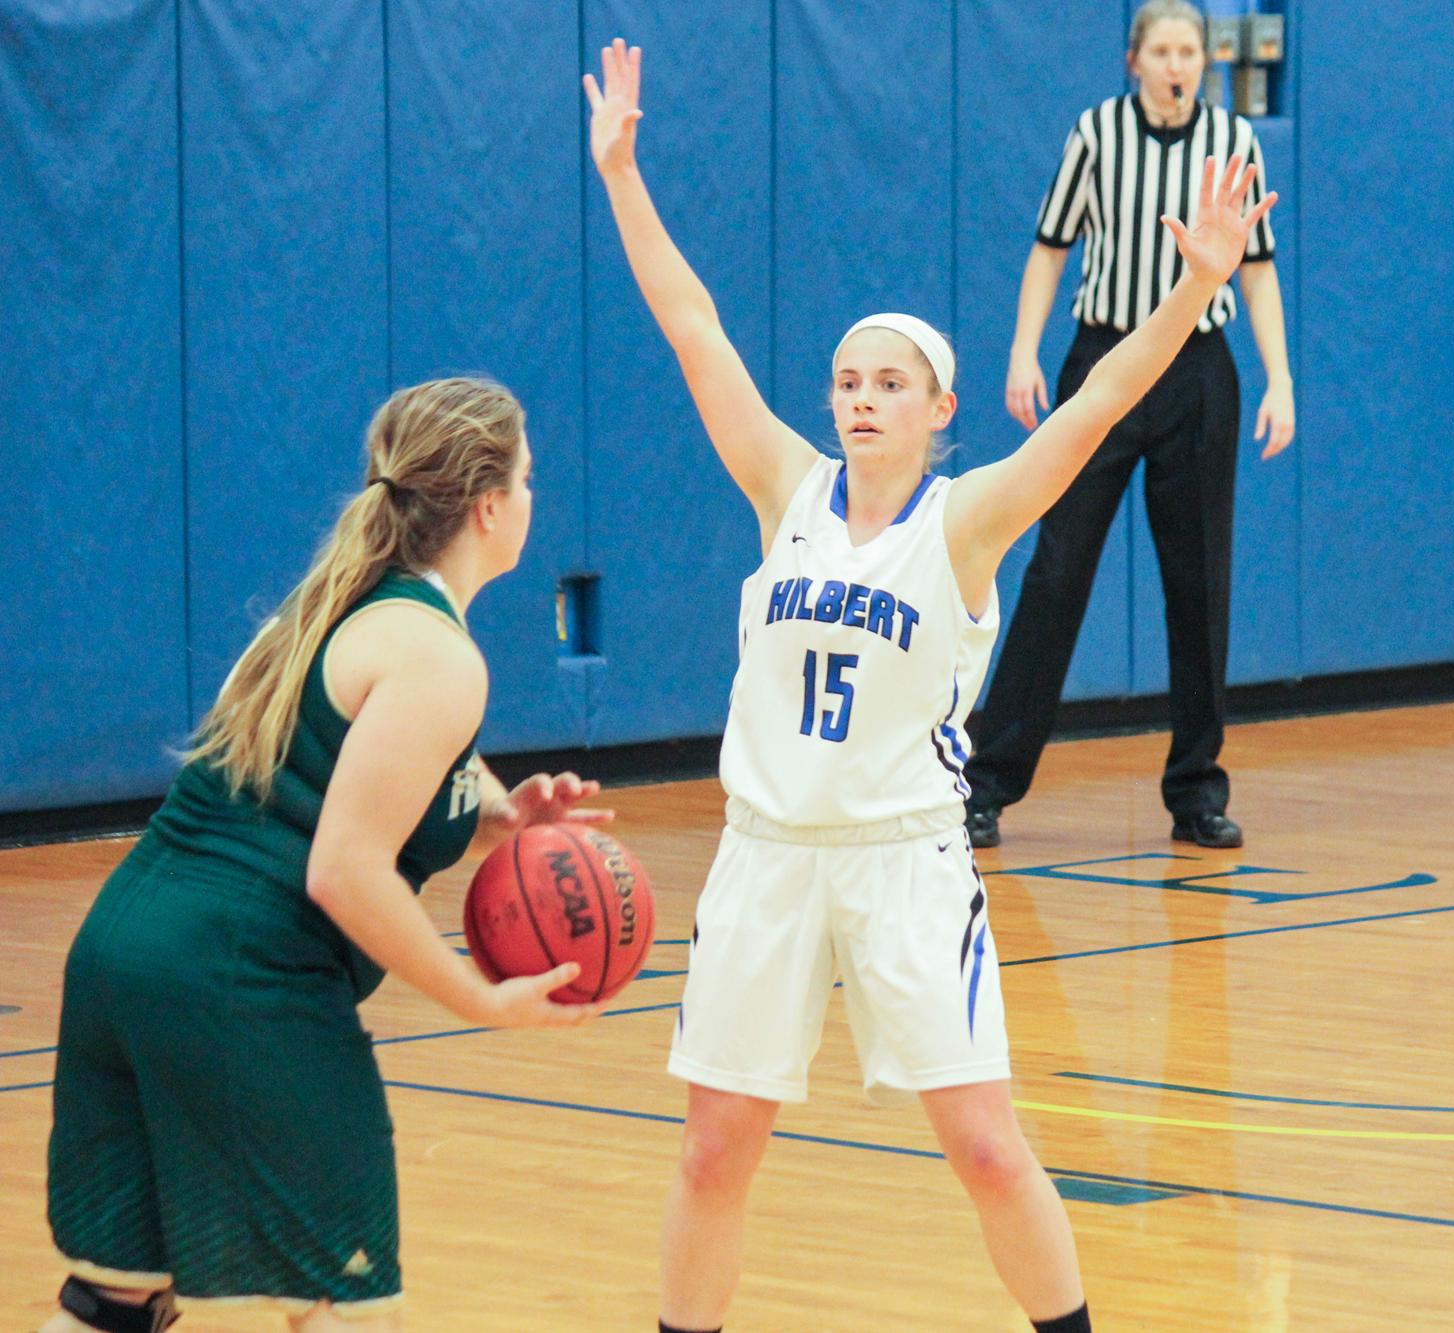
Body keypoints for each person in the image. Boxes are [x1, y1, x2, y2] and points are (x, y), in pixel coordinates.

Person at [584, 36, 1274, 1333]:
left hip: (904, 862)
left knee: (990, 1147)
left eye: (888, 384)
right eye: (847, 381)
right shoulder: (785, 491)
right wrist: (622, 173)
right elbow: (692, 325)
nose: (860, 399)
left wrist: (1195, 288)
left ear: (938, 407)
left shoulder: (964, 520)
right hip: (765, 855)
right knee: (713, 1151)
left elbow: (1095, 403)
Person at [41, 378, 607, 1333]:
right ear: (487, 505)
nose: (532, 496)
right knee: (350, 1308)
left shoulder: (328, 607)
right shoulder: (439, 656)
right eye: (528, 477)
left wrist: (497, 811)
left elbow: (340, 761)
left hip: (121, 956)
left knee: (115, 1304)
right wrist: (476, 998)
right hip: (242, 979)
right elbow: (343, 869)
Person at [963, 0, 1292, 851]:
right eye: (1164, 50)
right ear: (1133, 61)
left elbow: (1257, 270)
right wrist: (1024, 351)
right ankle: (986, 784)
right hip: (1105, 364)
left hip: (1197, 371)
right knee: (1057, 568)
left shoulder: (1235, 143)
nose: (1179, 64)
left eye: (1190, 51)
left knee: (1200, 581)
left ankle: (1197, 793)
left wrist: (1280, 378)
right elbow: (1049, 248)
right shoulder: (1096, 133)